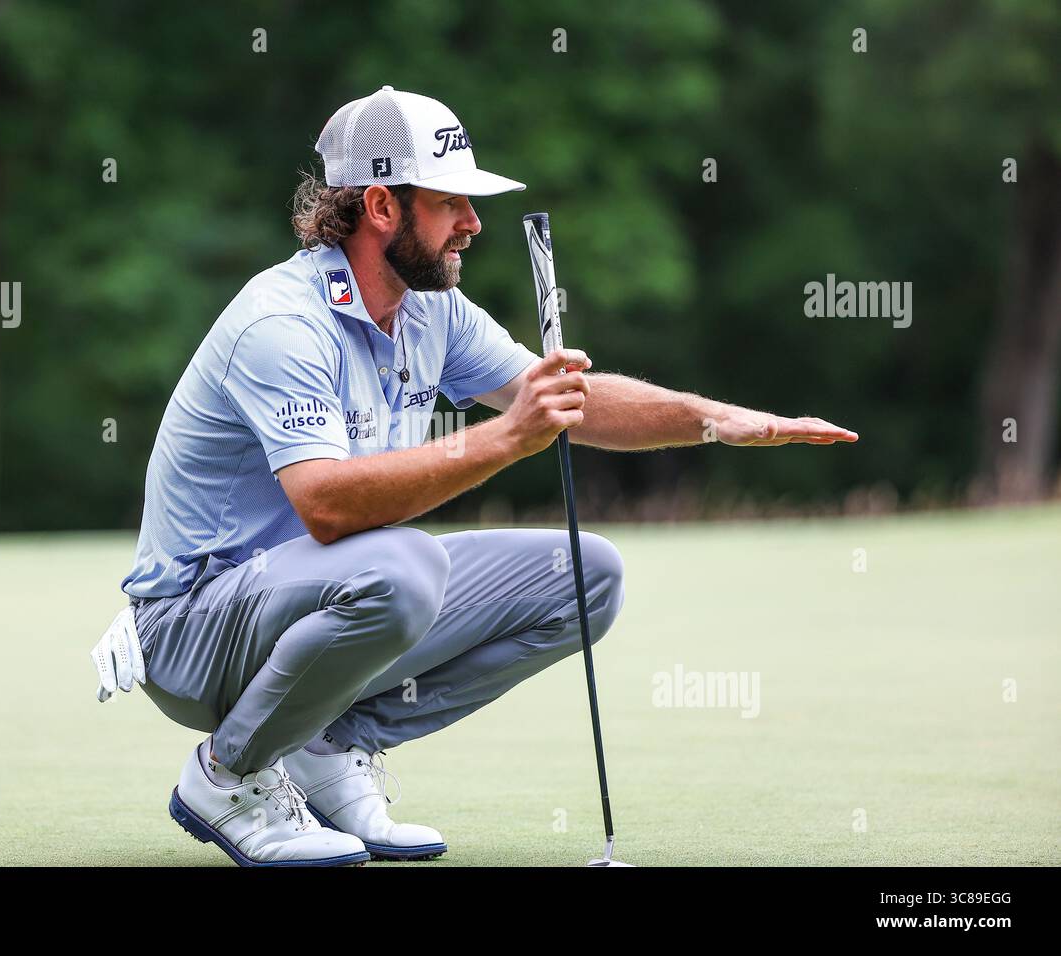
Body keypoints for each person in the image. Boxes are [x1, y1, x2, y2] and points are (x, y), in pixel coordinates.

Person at [90, 86, 858, 867]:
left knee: (586, 574)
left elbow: (562, 402)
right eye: (452, 201)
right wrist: (504, 439)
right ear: (382, 206)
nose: (473, 223)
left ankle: (326, 745)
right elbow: (323, 506)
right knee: (406, 563)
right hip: (195, 627)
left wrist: (715, 419)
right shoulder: (283, 323)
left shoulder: (431, 309)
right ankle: (229, 773)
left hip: (319, 600)